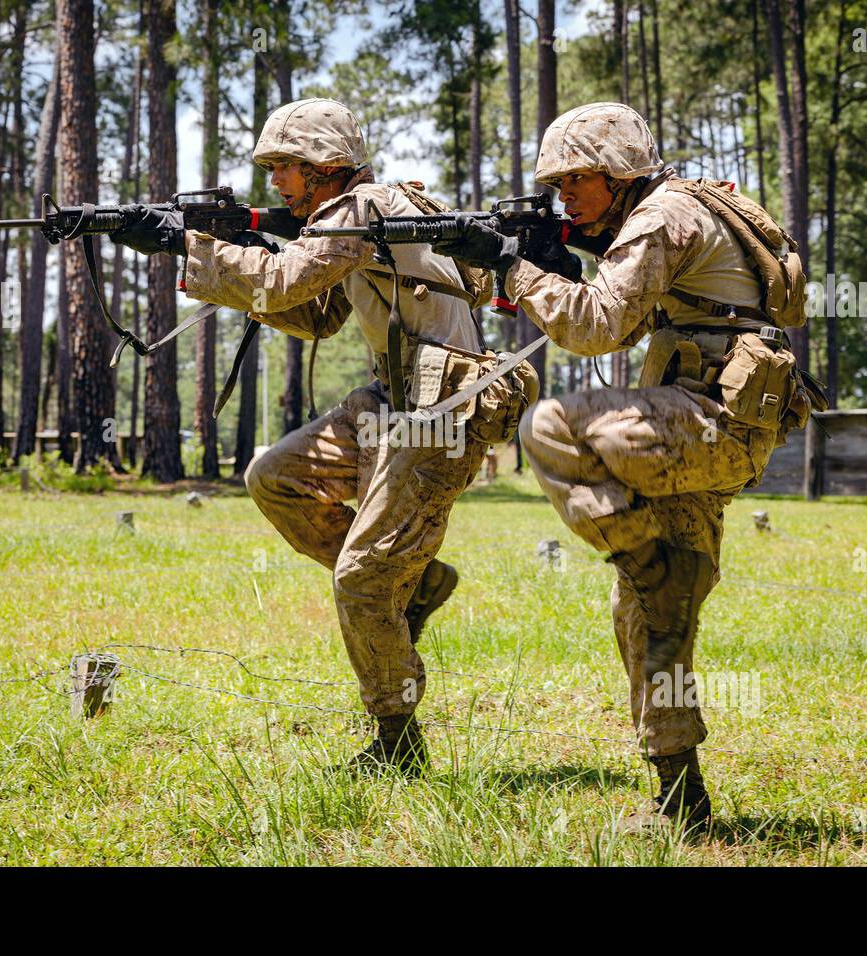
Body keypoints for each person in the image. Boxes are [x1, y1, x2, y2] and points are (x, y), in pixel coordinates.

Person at [111, 97, 534, 775]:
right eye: (273, 167)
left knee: (362, 579)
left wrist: (184, 243)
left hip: (441, 406)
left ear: (328, 166)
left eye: (287, 166)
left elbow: (281, 283)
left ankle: (398, 743)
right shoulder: (379, 211)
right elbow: (315, 315)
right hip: (396, 397)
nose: (276, 181)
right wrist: (240, 256)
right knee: (274, 476)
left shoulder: (360, 208)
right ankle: (416, 586)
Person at [432, 102, 819, 829]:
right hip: (708, 429)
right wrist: (555, 258)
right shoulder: (686, 205)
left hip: (708, 424)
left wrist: (514, 266)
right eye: (556, 186)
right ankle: (684, 802)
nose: (564, 197)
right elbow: (630, 312)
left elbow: (596, 326)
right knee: (652, 616)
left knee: (550, 425)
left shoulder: (663, 215)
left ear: (617, 170)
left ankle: (643, 555)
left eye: (575, 180)